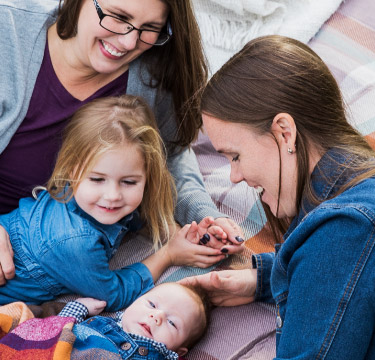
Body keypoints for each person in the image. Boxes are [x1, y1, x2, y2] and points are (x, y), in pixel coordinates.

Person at [180, 35, 375, 359]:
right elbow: (356, 275)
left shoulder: (346, 229)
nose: (234, 176)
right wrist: (261, 278)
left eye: (235, 156)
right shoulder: (368, 182)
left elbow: (340, 261)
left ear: (285, 133)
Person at [0, 0, 244, 284]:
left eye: (150, 28)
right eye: (117, 17)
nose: (129, 42)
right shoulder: (9, 31)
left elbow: (170, 155)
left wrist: (206, 216)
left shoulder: (152, 74)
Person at [0, 95, 228, 312]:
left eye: (128, 182)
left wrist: (184, 232)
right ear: (71, 170)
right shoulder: (75, 242)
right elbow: (114, 294)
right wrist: (169, 254)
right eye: (97, 179)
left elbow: (141, 216)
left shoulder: (93, 198)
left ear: (147, 176)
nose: (112, 195)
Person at [58, 282, 211, 358]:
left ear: (178, 351)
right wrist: (80, 307)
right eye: (152, 304)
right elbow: (55, 331)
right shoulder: (100, 323)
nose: (157, 316)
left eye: (172, 323)